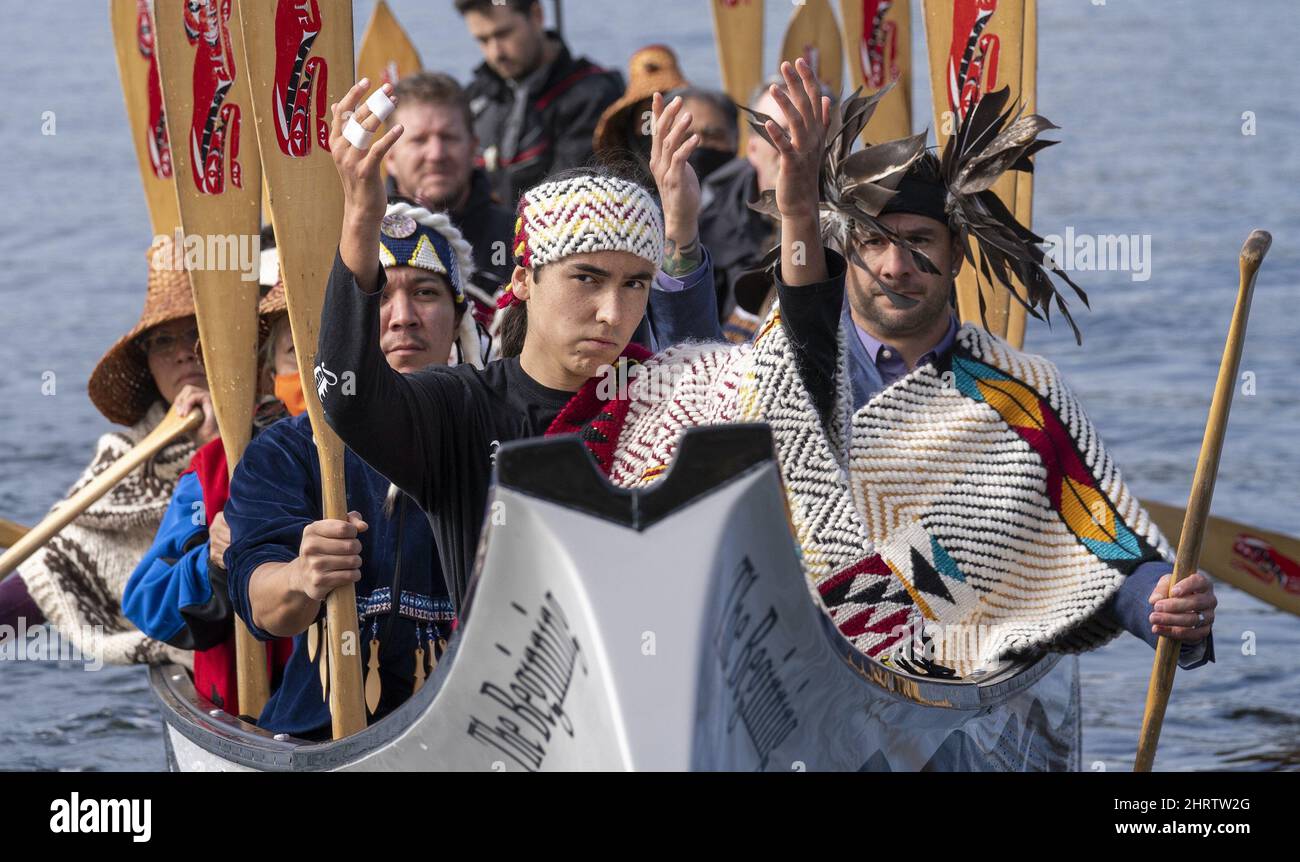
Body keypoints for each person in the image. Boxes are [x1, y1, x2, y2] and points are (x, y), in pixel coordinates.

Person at [806, 85, 1215, 672]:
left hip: (975, 648)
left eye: (919, 241)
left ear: (957, 258)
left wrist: (1168, 606)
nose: (896, 266)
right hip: (816, 641)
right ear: (847, 254)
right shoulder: (797, 371)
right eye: (874, 241)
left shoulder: (1021, 389)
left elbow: (1097, 536)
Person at [220, 207, 484, 738]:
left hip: (471, 734)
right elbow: (260, 599)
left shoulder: (500, 435)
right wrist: (302, 576)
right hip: (315, 735)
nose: (403, 315)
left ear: (457, 321)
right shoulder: (287, 452)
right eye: (381, 296)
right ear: (346, 319)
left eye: (426, 293)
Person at [0, 236, 218, 667]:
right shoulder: (126, 455)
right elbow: (61, 553)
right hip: (185, 624)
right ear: (147, 364)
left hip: (270, 620)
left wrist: (217, 452)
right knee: (59, 555)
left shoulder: (277, 423)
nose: (180, 354)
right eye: (162, 342)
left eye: (194, 334)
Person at [122, 270, 299, 715]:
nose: (184, 355)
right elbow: (147, 602)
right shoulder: (214, 468)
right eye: (298, 351)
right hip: (258, 710)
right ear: (267, 375)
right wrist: (214, 561)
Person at [455, 0, 623, 205]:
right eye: (483, 40)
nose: (495, 52)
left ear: (537, 15)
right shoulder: (476, 97)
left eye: (503, 34)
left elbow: (568, 200)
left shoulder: (593, 97)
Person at [383, 71, 515, 318]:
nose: (436, 154)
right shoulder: (358, 242)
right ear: (389, 157)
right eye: (419, 140)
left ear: (473, 147)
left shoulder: (518, 237)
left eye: (449, 138)